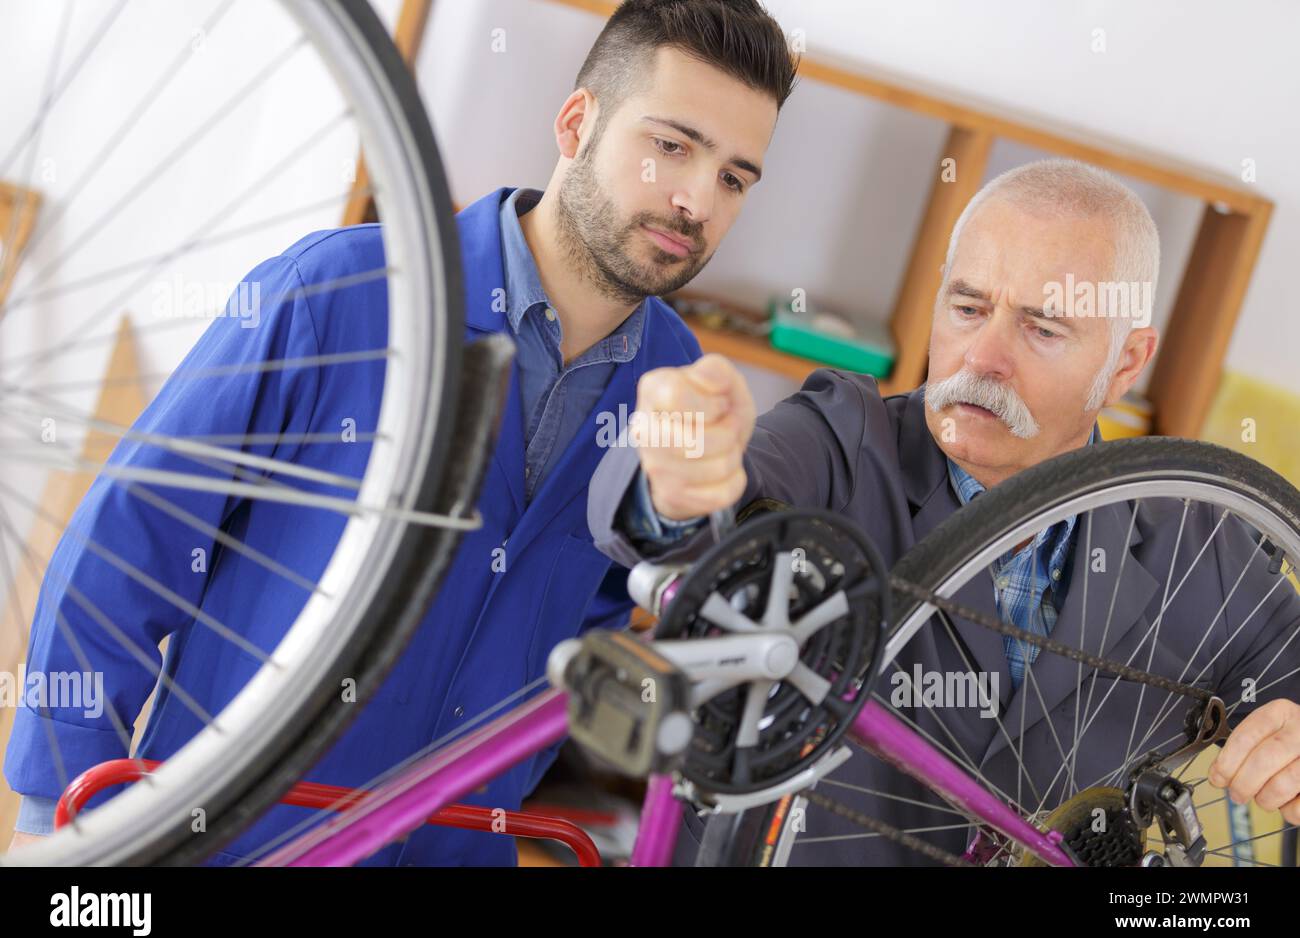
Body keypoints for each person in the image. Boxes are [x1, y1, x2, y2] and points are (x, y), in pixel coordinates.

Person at [5, 0, 799, 865]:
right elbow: (127, 547)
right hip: (227, 838)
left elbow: (605, 625)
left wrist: (677, 520)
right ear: (578, 123)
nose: (695, 201)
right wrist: (61, 813)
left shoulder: (678, 389)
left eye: (734, 178)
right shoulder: (339, 293)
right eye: (671, 145)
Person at [589, 158, 1300, 864]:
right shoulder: (839, 440)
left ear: (1125, 365)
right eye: (967, 307)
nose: (981, 357)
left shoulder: (1198, 542)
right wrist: (674, 473)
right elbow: (675, 520)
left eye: (1042, 328)